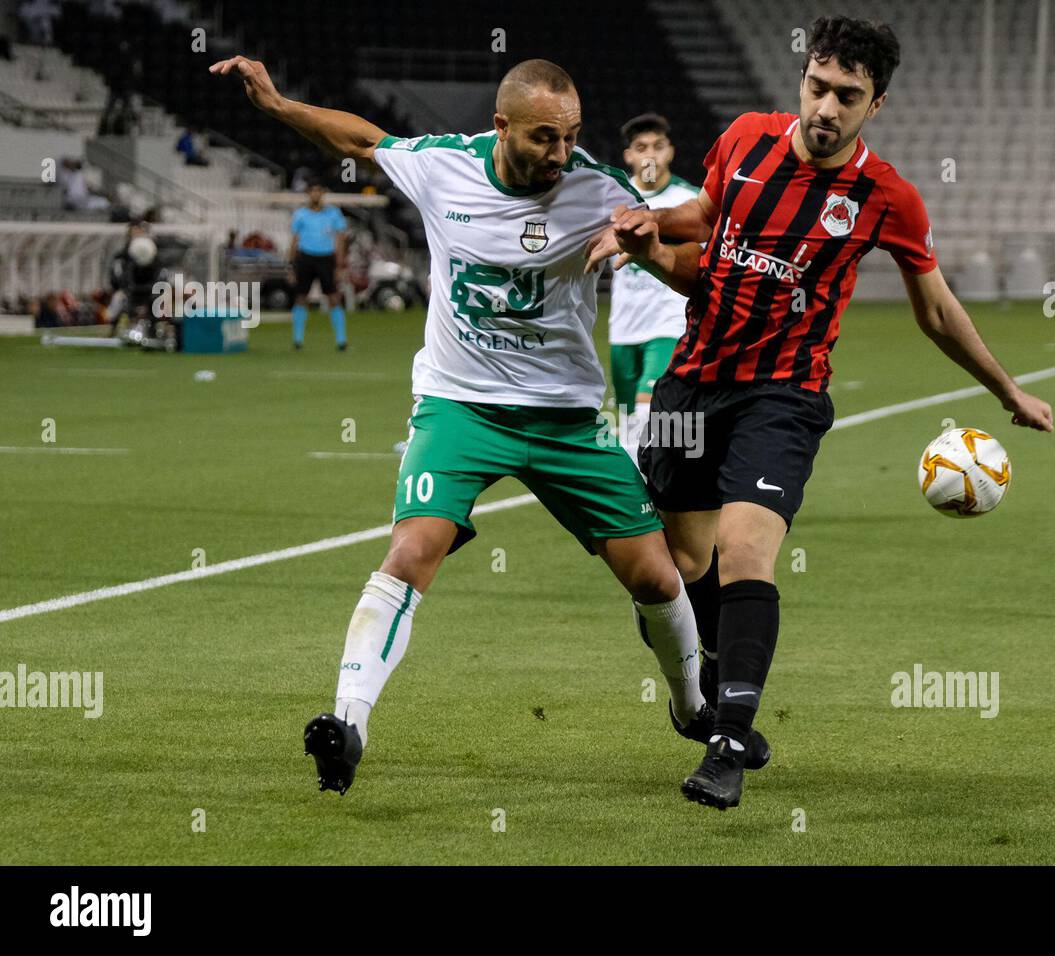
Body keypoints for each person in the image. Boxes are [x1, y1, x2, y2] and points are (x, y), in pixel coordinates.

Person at [210, 53, 769, 796]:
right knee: (411, 550)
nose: (559, 155)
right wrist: (279, 106)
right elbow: (358, 142)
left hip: (567, 418)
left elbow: (690, 256)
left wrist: (653, 250)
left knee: (658, 576)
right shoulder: (444, 166)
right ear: (501, 126)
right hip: (458, 406)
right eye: (544, 138)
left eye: (570, 137)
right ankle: (348, 724)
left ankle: (691, 705)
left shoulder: (600, 191)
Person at [590, 15, 1053, 809]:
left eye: (848, 95)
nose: (826, 107)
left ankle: (729, 743)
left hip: (785, 395)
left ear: (876, 104)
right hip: (691, 383)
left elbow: (936, 312)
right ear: (802, 78)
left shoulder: (887, 197)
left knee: (744, 550)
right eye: (817, 86)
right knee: (671, 571)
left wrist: (1006, 390)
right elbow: (708, 226)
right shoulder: (743, 139)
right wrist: (650, 232)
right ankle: (700, 699)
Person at [606, 113, 697, 461]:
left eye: (658, 147)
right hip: (624, 330)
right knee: (631, 426)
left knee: (648, 413)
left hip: (669, 326)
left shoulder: (690, 202)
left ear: (670, 152)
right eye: (641, 148)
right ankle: (648, 501)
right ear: (628, 155)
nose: (650, 156)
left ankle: (666, 499)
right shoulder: (612, 198)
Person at [289, 180, 348, 350]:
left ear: (322, 193)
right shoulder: (300, 214)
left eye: (318, 191)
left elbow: (340, 239)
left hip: (326, 258)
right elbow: (294, 240)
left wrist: (340, 264)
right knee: (301, 297)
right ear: (308, 193)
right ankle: (297, 340)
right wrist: (291, 265)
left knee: (333, 298)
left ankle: (341, 340)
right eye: (312, 191)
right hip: (305, 257)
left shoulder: (333, 213)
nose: (315, 194)